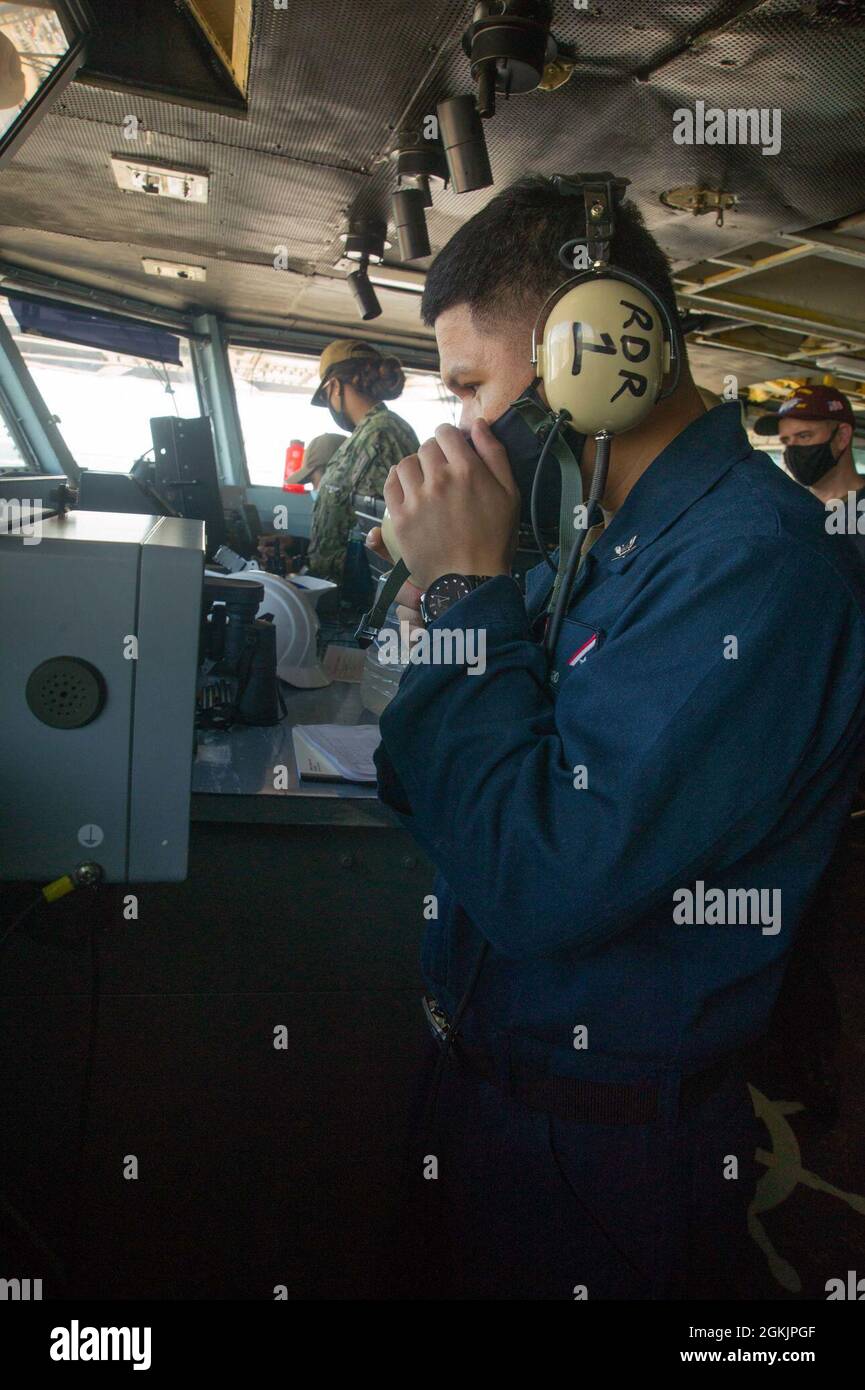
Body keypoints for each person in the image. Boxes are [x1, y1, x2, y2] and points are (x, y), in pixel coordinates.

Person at [369, 175, 865, 1300]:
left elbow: (540, 880)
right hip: (490, 1089)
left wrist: (462, 598)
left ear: (595, 350)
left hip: (596, 1154)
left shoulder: (752, 570)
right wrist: (456, 604)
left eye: (471, 386)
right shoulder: (601, 543)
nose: (462, 429)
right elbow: (426, 783)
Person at [305, 340, 419, 593]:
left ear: (335, 386)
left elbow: (387, 530)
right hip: (339, 590)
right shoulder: (368, 434)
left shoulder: (381, 434)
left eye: (325, 396)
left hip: (359, 598)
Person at [755, 383, 864, 562]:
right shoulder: (786, 512)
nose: (793, 449)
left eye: (804, 436)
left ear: (842, 436)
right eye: (786, 440)